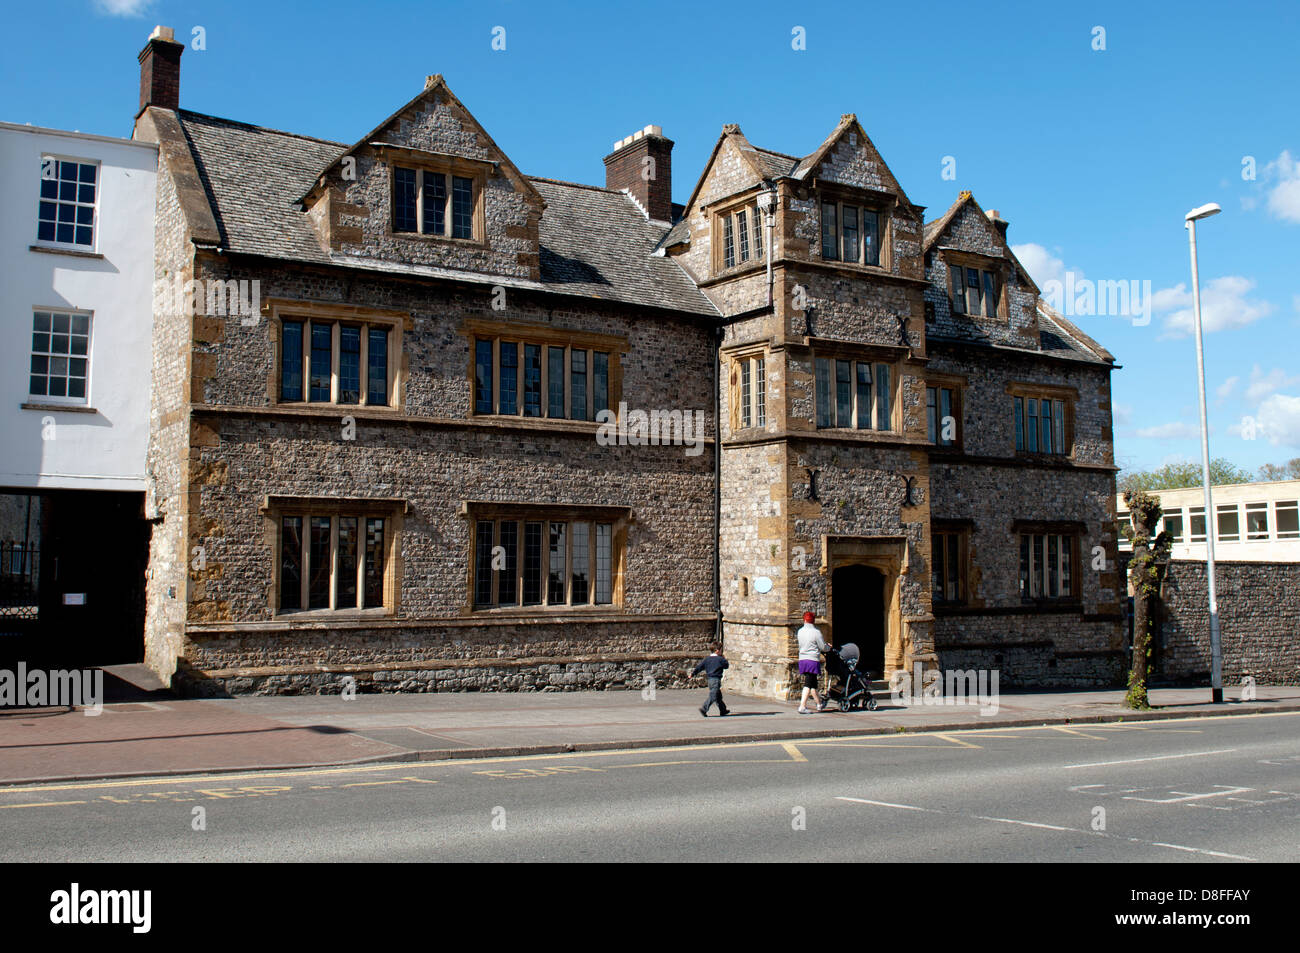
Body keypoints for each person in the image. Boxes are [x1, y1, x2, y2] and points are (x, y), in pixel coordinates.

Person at [795, 611, 829, 713]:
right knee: (808, 684)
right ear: (813, 620)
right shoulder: (816, 632)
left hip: (803, 659)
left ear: (804, 619)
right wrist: (829, 647)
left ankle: (819, 704)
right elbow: (823, 647)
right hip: (812, 659)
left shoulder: (800, 631)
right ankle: (802, 706)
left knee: (813, 683)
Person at [692, 643, 729, 716]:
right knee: (713, 695)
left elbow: (700, 667)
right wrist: (724, 658)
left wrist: (693, 673)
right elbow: (726, 666)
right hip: (716, 680)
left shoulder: (707, 659)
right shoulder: (720, 659)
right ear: (717, 651)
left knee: (718, 696)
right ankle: (704, 708)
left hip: (709, 680)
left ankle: (723, 710)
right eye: (721, 650)